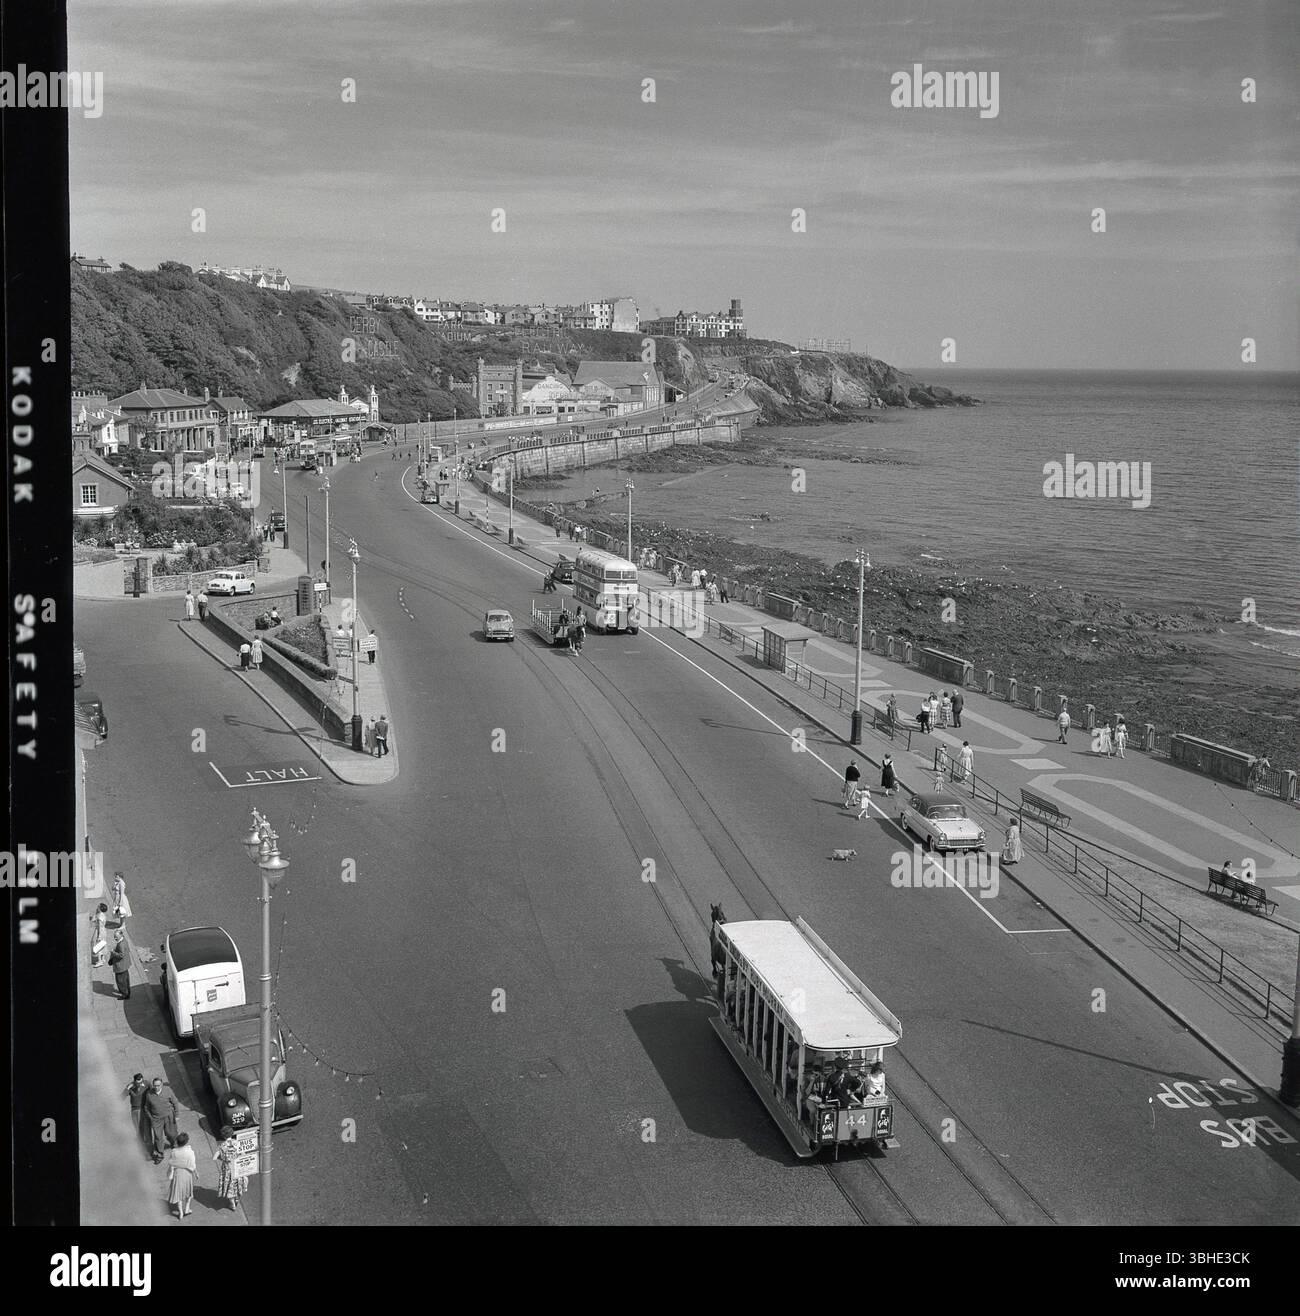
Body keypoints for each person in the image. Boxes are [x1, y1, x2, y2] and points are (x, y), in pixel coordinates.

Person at [143, 1078, 178, 1163]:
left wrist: (176, 1115)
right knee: (158, 1137)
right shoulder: (149, 1094)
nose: (156, 1087)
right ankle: (159, 1154)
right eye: (155, 1085)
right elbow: (146, 1107)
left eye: (158, 1085)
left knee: (171, 1133)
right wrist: (151, 1118)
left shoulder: (167, 1090)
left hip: (168, 1116)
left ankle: (175, 1144)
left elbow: (175, 1102)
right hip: (156, 1119)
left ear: (162, 1085)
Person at [213, 1126, 249, 1211]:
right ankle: (237, 1199)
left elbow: (214, 1157)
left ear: (223, 1135)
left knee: (229, 1184)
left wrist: (222, 1158)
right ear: (232, 1133)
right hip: (237, 1166)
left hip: (227, 1168)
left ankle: (232, 1204)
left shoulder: (221, 1146)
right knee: (238, 1183)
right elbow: (243, 1154)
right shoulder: (237, 1143)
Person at [166, 1133, 197, 1219]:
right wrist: (195, 1172)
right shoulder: (190, 1152)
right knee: (188, 1192)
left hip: (177, 1174)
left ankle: (180, 1213)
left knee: (178, 1194)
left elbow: (171, 1162)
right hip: (187, 1174)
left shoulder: (174, 1152)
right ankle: (187, 1208)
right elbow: (192, 1165)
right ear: (186, 1142)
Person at [124, 1073, 150, 1149]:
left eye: (141, 1082)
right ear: (134, 1081)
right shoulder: (131, 1086)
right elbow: (122, 1097)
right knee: (138, 1128)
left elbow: (153, 1091)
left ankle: (145, 1143)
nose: (139, 1084)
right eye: (137, 1082)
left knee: (144, 1127)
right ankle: (142, 1142)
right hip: (135, 1109)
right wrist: (128, 1088)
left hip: (144, 1108)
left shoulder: (147, 1084)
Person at [108, 931, 132, 1000]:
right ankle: (127, 991)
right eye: (114, 936)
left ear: (121, 936)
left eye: (116, 937)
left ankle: (125, 994)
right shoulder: (124, 940)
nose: (115, 938)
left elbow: (121, 955)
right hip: (125, 964)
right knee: (126, 979)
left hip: (120, 966)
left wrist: (113, 952)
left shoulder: (121, 944)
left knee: (120, 981)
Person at [90, 902, 110, 967]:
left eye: (98, 907)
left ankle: (100, 961)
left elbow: (99, 927)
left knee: (98, 946)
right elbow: (93, 919)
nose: (97, 907)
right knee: (103, 945)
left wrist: (99, 936)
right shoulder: (102, 915)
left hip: (100, 932)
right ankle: (103, 958)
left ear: (100, 908)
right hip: (104, 931)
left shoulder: (99, 917)